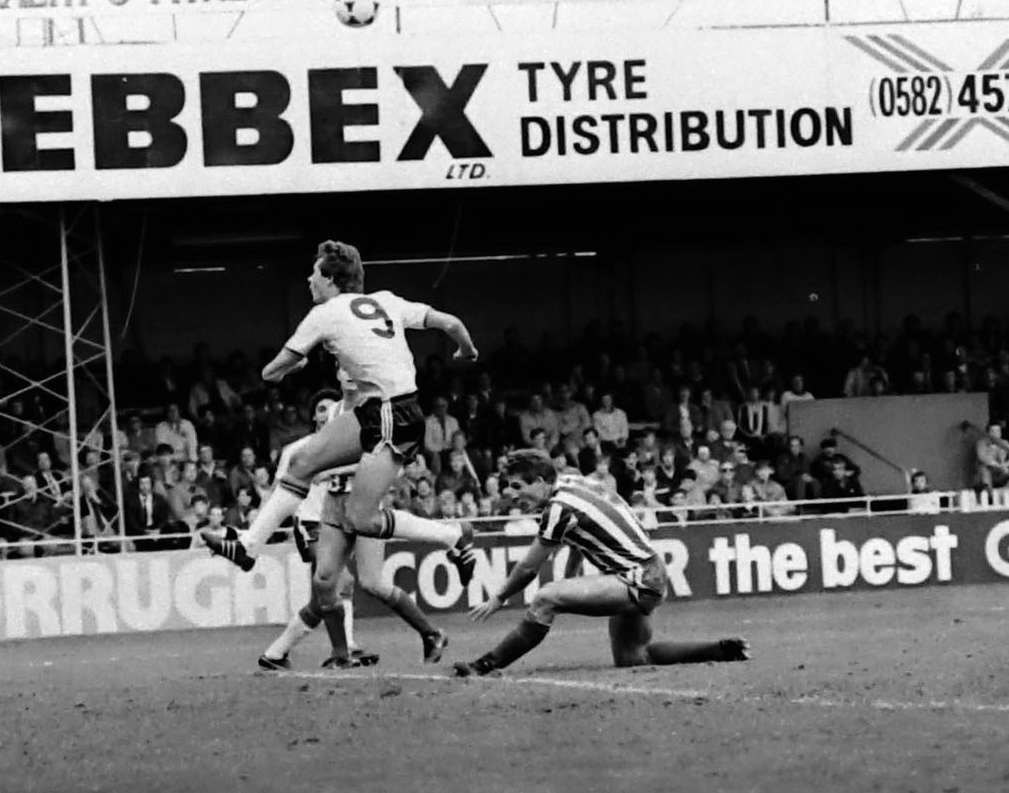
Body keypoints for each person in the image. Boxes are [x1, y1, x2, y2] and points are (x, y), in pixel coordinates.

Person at [201, 240, 479, 582]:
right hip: (383, 410)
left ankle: (454, 536)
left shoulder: (325, 314)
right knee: (300, 463)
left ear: (331, 279)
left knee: (361, 519)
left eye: (314, 273)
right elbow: (451, 324)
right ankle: (248, 546)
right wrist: (467, 351)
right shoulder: (385, 300)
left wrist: (296, 364)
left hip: (392, 416)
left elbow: (269, 373)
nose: (308, 280)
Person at [451, 449, 749, 677]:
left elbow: (529, 567)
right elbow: (582, 534)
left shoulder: (558, 507)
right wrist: (570, 579)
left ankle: (483, 665)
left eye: (518, 486)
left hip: (635, 578)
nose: (512, 495)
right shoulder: (572, 483)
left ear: (540, 482)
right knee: (633, 658)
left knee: (545, 598)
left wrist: (499, 598)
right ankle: (720, 649)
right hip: (649, 573)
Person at [260, 389, 450, 671]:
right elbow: (281, 489)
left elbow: (387, 464)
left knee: (367, 583)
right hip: (326, 512)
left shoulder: (366, 422)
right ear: (313, 415)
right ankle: (340, 652)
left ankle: (429, 633)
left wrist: (335, 470)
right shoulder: (302, 446)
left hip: (364, 504)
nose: (326, 414)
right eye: (321, 409)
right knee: (329, 582)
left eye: (329, 408)